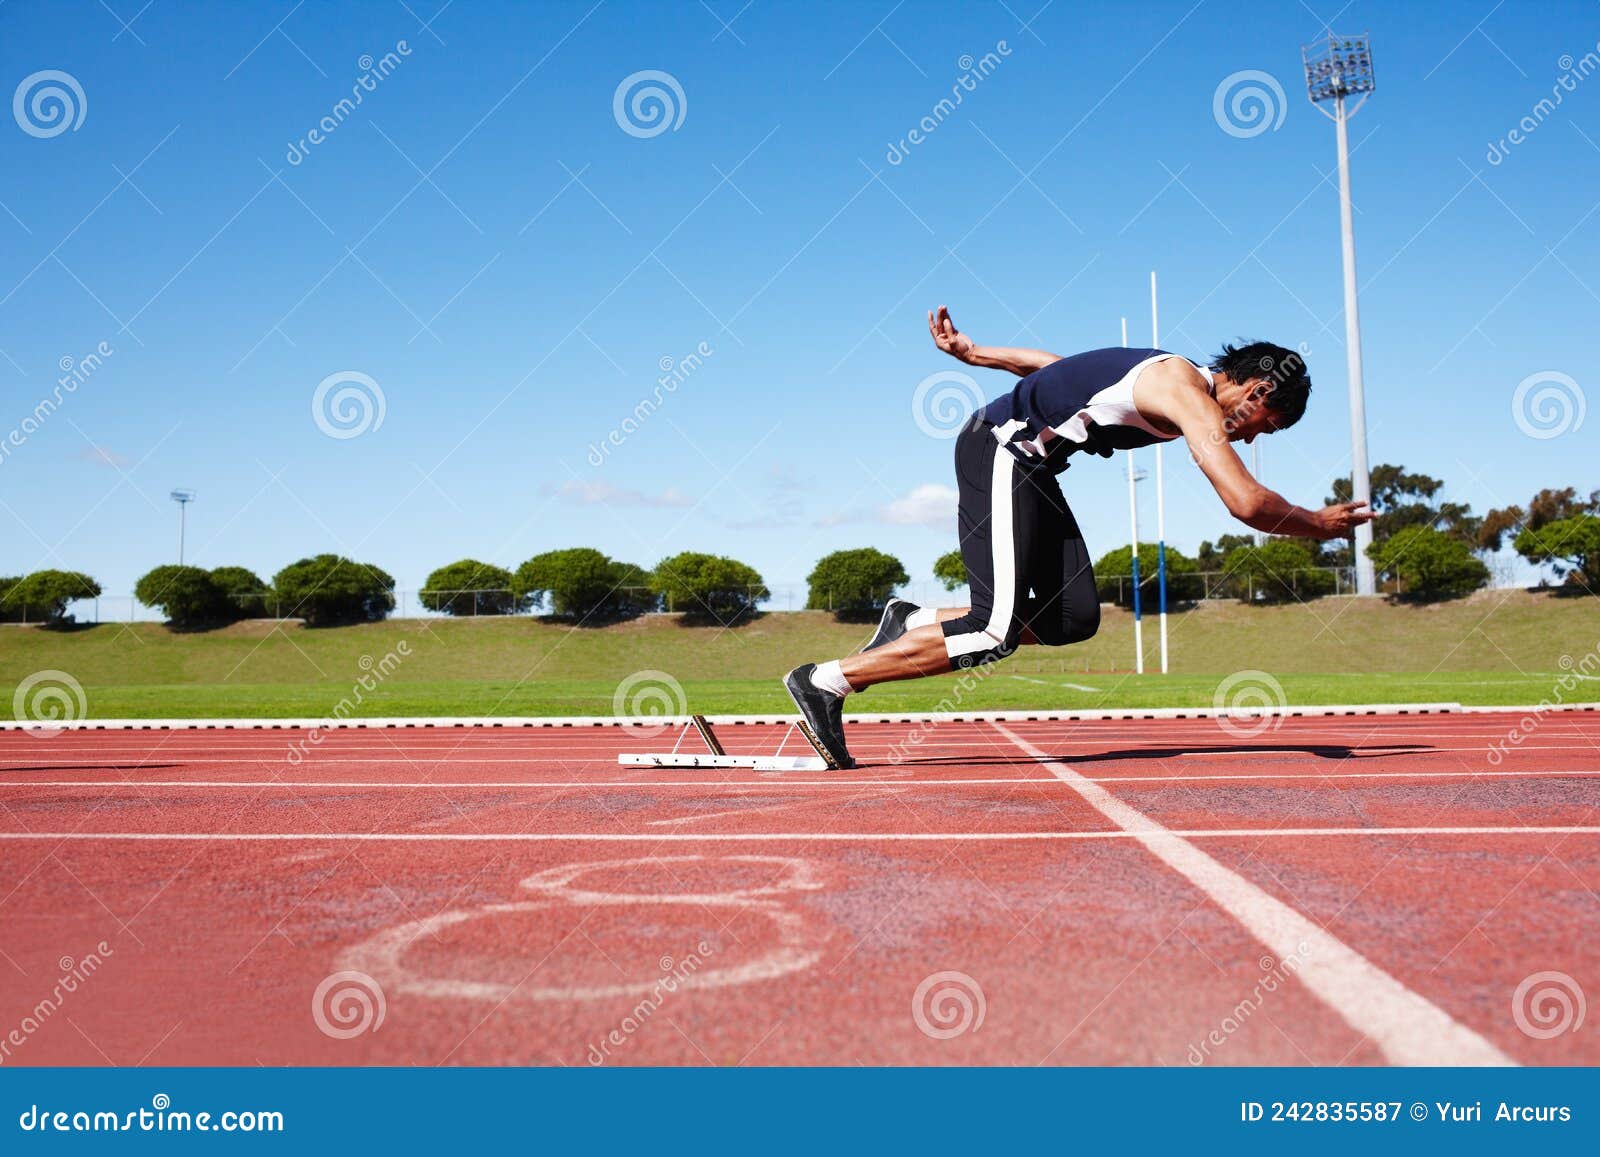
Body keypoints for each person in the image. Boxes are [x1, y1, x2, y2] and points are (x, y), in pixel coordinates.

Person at [783, 305, 1375, 769]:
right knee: (994, 631)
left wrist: (977, 353)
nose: (1247, 439)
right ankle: (824, 681)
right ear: (1258, 392)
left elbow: (1054, 369)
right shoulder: (1184, 392)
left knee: (1072, 617)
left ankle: (915, 620)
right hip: (1001, 446)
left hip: (1033, 469)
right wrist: (1318, 524)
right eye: (1260, 427)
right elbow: (1246, 502)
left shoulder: (1166, 380)